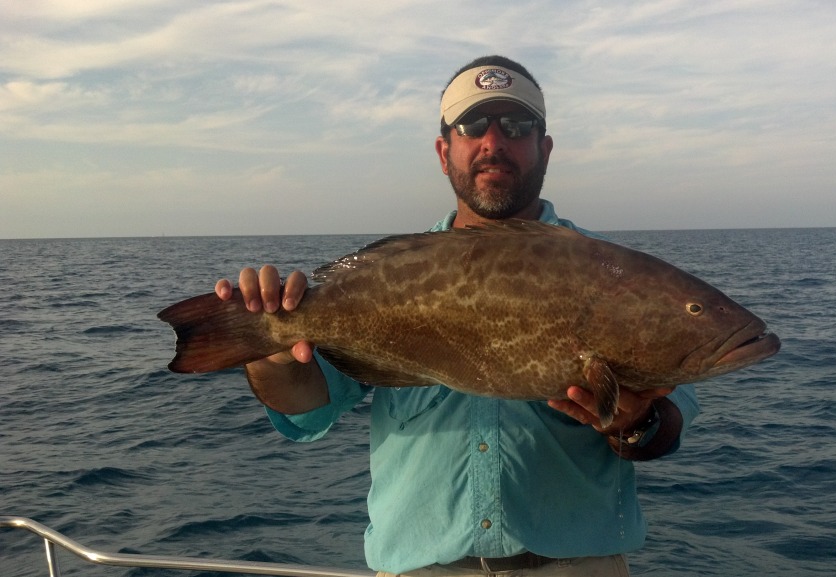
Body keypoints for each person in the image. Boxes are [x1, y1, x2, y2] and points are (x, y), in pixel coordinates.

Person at [215, 55, 700, 577]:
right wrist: (270, 351)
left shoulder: (616, 274)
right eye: (472, 125)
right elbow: (308, 408)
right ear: (444, 152)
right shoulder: (391, 275)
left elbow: (668, 424)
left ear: (545, 148)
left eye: (516, 125)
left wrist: (636, 422)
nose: (494, 142)